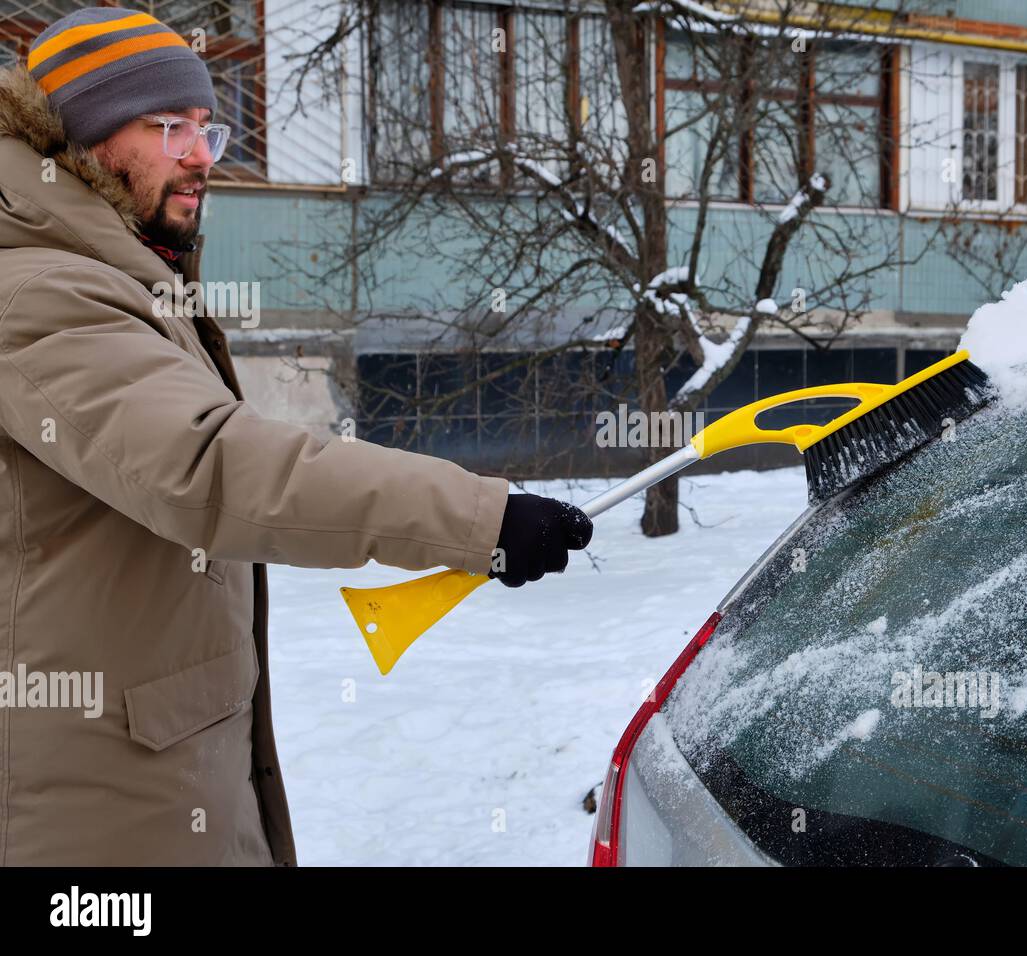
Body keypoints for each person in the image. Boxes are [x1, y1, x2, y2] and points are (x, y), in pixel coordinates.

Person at [0, 6, 591, 866]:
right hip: (93, 811)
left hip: (155, 774)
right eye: (169, 128)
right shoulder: (42, 293)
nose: (204, 155)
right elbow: (208, 465)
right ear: (81, 142)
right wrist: (477, 519)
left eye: (209, 127)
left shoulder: (112, 277)